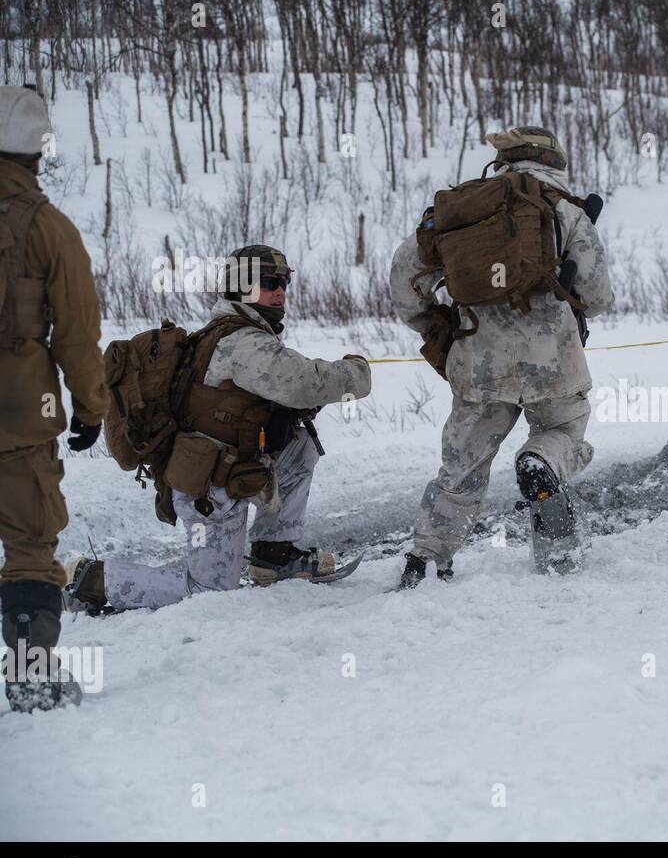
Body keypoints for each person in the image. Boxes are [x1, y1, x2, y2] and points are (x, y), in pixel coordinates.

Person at [65, 246, 372, 612]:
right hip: (208, 487)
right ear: (241, 287)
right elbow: (304, 382)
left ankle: (275, 555)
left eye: (284, 282)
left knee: (298, 443)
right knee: (208, 593)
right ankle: (92, 579)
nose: (280, 291)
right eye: (269, 282)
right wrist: (357, 371)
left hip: (231, 469)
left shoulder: (237, 333)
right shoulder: (243, 342)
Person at [389, 127, 612, 585]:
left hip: (478, 361)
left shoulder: (460, 211)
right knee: (562, 430)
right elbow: (597, 293)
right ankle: (543, 462)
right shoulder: (566, 209)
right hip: (553, 359)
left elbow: (403, 280)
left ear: (503, 160)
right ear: (553, 159)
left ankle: (429, 559)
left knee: (462, 468)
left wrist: (436, 329)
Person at [0, 85, 108, 711]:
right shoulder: (49, 229)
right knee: (31, 549)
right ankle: (31, 678)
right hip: (18, 417)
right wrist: (91, 409)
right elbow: (76, 333)